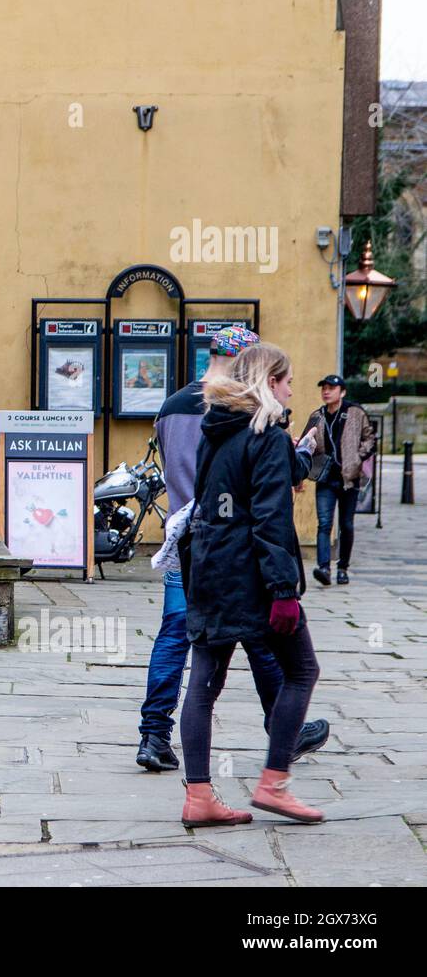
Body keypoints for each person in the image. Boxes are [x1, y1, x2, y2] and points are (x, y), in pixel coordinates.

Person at [137, 325, 329, 772]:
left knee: (175, 637)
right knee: (264, 644)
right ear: (250, 362)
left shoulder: (171, 407)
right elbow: (255, 494)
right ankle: (282, 734)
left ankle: (154, 734)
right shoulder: (234, 414)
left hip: (186, 539)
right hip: (232, 546)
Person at [180, 342, 325, 826]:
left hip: (209, 568)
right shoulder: (268, 437)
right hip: (254, 578)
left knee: (203, 684)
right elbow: (270, 520)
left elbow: (210, 502)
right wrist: (284, 591)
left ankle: (198, 796)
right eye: (286, 381)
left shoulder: (215, 431)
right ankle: (274, 784)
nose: (292, 389)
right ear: (269, 382)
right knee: (302, 671)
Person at [301, 375, 376, 587]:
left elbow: (370, 438)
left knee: (346, 524)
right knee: (324, 524)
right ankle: (324, 567)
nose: (326, 391)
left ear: (342, 392)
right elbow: (307, 444)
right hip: (325, 478)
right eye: (324, 388)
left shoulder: (355, 412)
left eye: (331, 388)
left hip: (349, 478)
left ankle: (343, 568)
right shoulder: (317, 416)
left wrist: (357, 457)